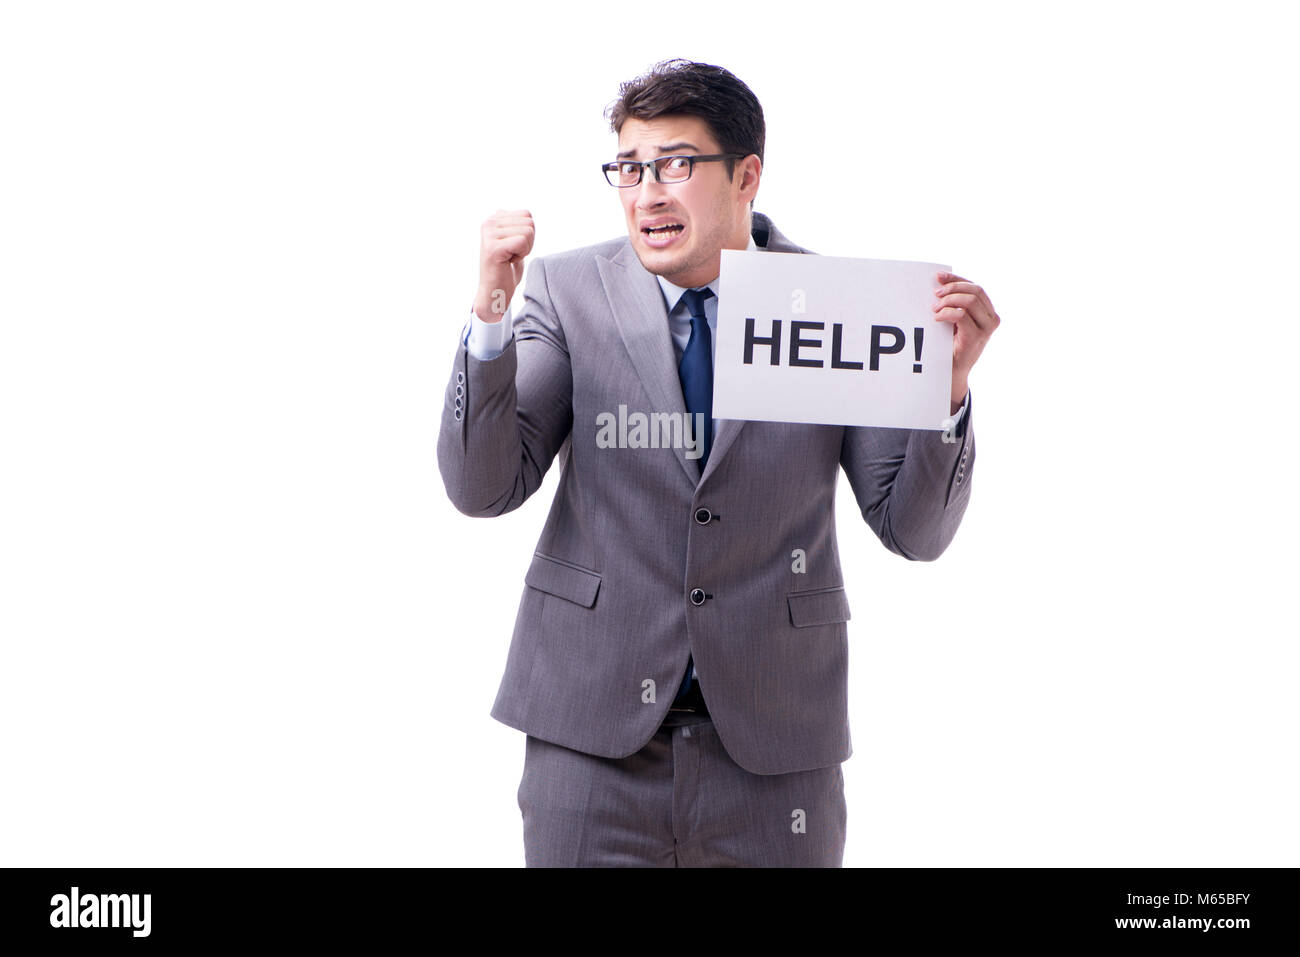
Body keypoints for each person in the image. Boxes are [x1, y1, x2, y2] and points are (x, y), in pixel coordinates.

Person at [437, 59, 999, 866]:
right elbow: (482, 486)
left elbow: (914, 532)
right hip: (590, 744)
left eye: (675, 165)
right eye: (629, 169)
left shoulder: (841, 309)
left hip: (773, 755)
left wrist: (943, 395)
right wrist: (491, 311)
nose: (647, 193)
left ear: (747, 176)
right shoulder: (566, 292)